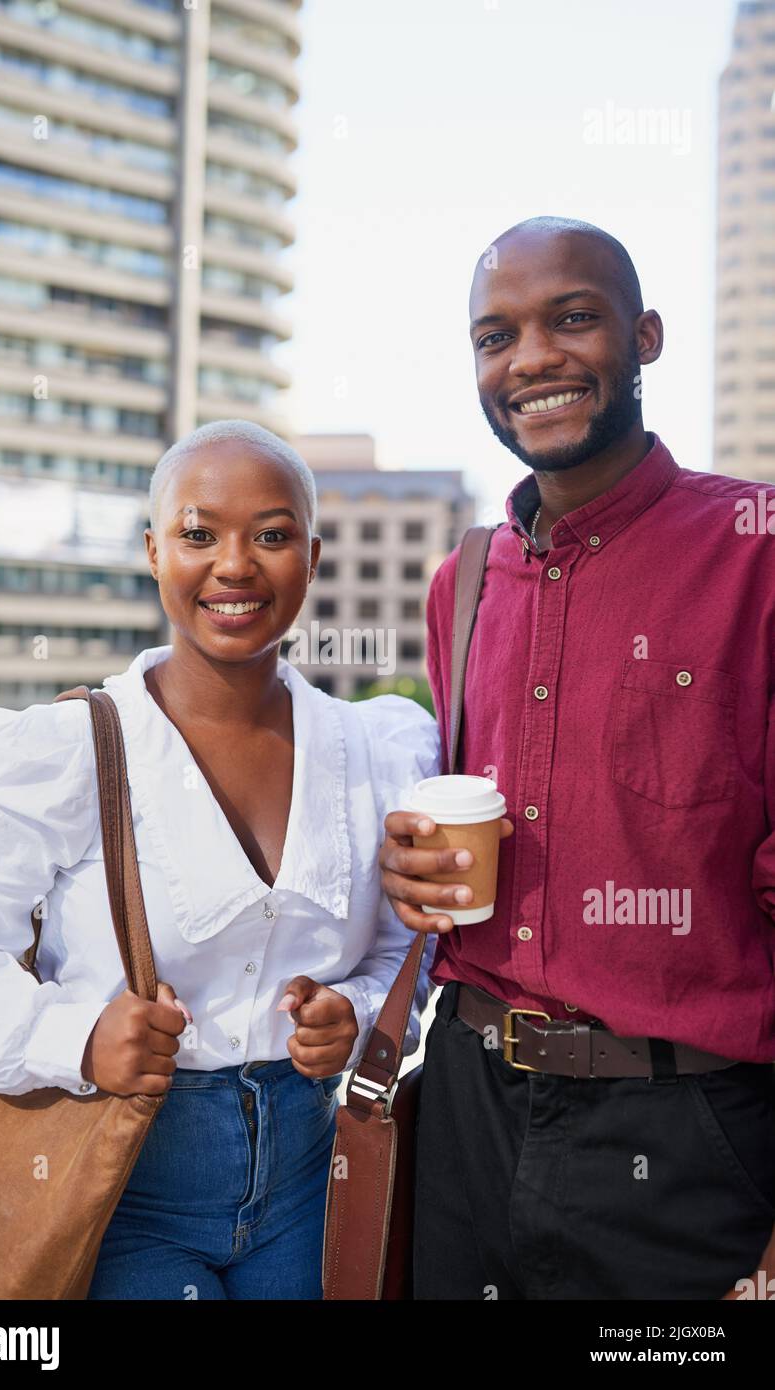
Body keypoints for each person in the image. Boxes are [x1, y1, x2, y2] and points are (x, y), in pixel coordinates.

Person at [0, 419, 440, 1300]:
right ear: (154, 552)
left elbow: (403, 953)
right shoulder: (72, 747)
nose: (234, 565)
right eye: (199, 535)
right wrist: (74, 1038)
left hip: (313, 1179)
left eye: (270, 536)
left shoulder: (375, 750)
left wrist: (352, 1009)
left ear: (310, 556)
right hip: (117, 1181)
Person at [379, 216, 775, 1301]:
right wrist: (411, 875)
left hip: (688, 1142)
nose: (532, 359)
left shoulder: (760, 553)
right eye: (495, 335)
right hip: (465, 1110)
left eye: (573, 318)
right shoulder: (459, 583)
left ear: (645, 337)